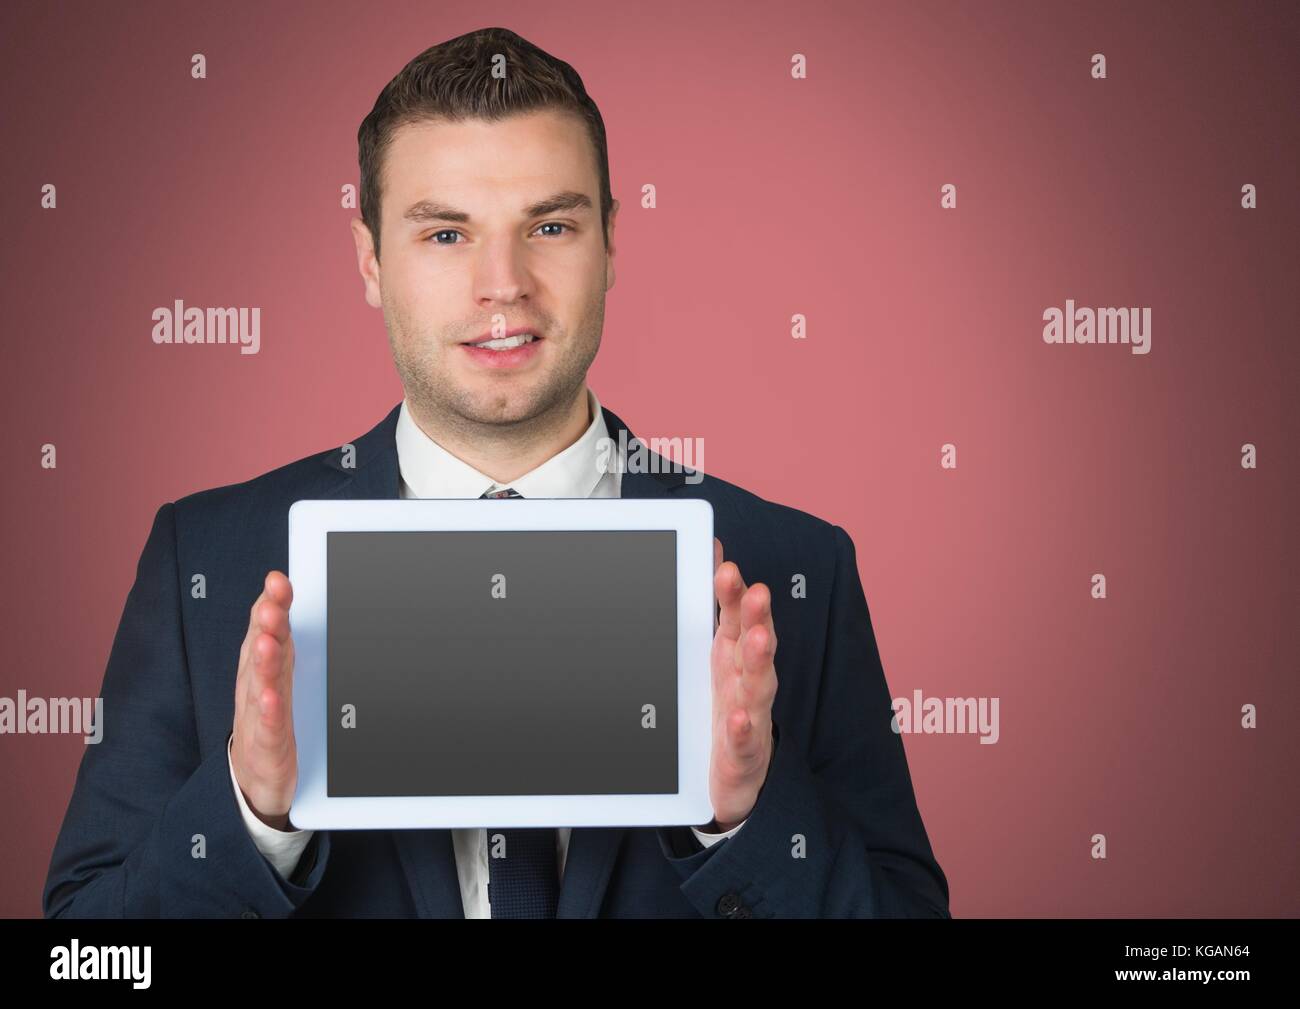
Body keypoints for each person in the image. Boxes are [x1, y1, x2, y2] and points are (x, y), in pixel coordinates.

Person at [43, 26, 949, 919]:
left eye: (550, 225)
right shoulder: (201, 560)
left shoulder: (794, 567)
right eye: (446, 234)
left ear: (609, 246)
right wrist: (251, 813)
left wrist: (748, 818)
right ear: (370, 261)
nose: (504, 284)